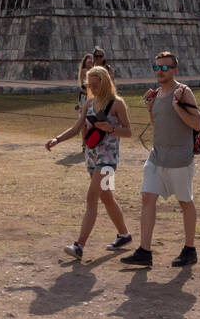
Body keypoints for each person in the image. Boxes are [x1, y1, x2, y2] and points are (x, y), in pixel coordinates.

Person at [121, 51, 200, 269]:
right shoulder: (156, 94)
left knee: (185, 202)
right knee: (147, 198)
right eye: (156, 67)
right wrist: (150, 108)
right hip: (157, 157)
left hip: (179, 159)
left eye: (165, 67)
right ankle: (144, 251)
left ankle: (189, 249)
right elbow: (158, 122)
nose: (160, 71)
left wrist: (177, 108)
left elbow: (197, 124)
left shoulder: (184, 92)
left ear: (175, 69)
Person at [45, 64, 134, 259]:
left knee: (91, 197)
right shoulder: (89, 103)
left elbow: (128, 131)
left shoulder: (117, 103)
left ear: (105, 83)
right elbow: (77, 128)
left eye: (95, 85)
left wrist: (110, 128)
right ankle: (124, 235)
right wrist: (57, 139)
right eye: (89, 85)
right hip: (92, 158)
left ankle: (79, 245)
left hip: (108, 160)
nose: (91, 89)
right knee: (107, 197)